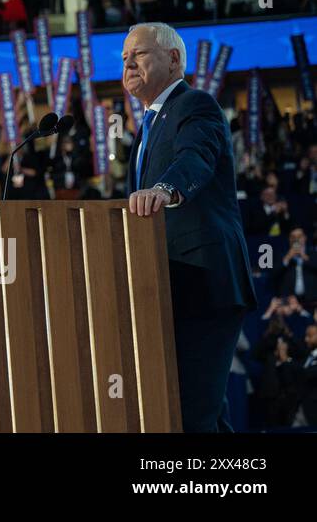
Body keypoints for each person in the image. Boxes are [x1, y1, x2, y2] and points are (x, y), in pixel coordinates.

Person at [122, 22, 255, 432]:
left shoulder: (195, 104)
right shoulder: (147, 126)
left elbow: (196, 157)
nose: (128, 64)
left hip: (204, 281)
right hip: (170, 284)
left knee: (190, 413)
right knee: (204, 415)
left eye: (139, 55)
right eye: (124, 58)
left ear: (174, 58)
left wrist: (165, 188)